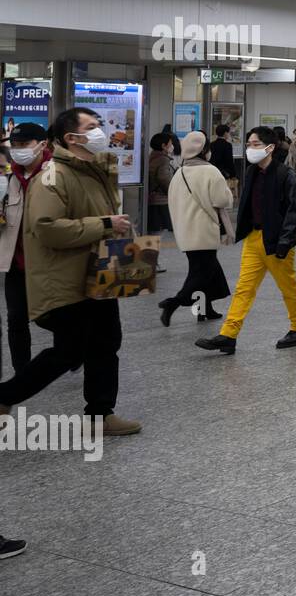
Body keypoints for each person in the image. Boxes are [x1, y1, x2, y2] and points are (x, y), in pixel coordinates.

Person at [0, 108, 140, 435]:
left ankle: (100, 415)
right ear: (71, 138)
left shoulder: (95, 169)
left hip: (97, 274)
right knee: (70, 349)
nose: (99, 132)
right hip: (67, 279)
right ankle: (5, 395)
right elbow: (47, 227)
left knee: (106, 342)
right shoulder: (54, 175)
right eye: (91, 127)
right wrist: (104, 224)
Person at [195, 126, 296, 355]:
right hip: (254, 238)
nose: (250, 149)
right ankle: (228, 334)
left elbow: (294, 211)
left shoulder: (285, 174)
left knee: (288, 287)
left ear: (270, 148)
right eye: (248, 144)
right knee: (244, 288)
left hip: (276, 240)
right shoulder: (252, 172)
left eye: (255, 144)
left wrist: (285, 242)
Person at [161, 131, 234, 325]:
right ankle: (173, 302)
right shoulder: (210, 171)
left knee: (205, 271)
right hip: (204, 231)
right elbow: (222, 200)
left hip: (185, 232)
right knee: (201, 274)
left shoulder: (180, 172)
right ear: (203, 150)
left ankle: (203, 310)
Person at [0, 123, 51, 371]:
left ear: (43, 145)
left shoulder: (57, 174)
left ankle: (75, 348)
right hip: (17, 264)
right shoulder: (9, 180)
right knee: (16, 319)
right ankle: (22, 372)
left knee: (49, 317)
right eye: (15, 145)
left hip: (50, 265)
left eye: (25, 145)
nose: (19, 150)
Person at [147, 132, 174, 233]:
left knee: (152, 232)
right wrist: (172, 190)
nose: (172, 146)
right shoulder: (163, 159)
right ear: (163, 146)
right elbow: (164, 178)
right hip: (160, 200)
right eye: (170, 144)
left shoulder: (152, 157)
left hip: (151, 198)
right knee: (156, 234)